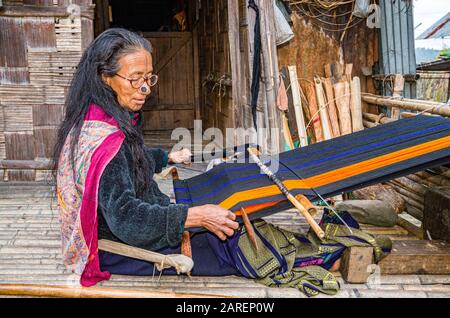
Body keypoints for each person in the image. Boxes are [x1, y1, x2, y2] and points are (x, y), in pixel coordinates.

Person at [54, 28, 390, 296]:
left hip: (130, 228)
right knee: (238, 245)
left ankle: (313, 246)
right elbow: (126, 217)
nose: (145, 88)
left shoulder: (104, 119)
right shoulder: (104, 140)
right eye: (135, 78)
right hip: (121, 247)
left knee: (237, 225)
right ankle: (325, 257)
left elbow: (131, 159)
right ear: (104, 77)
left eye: (150, 77)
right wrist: (195, 215)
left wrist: (166, 156)